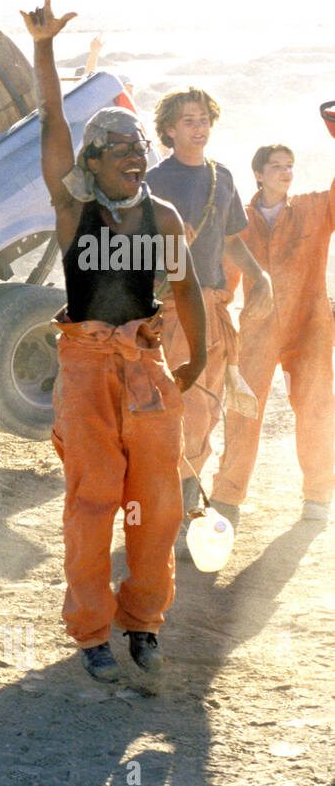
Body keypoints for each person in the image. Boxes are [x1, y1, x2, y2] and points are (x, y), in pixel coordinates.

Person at [22, 0, 206, 681]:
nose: (134, 157)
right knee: (93, 499)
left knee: (158, 503)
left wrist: (202, 360)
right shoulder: (73, 212)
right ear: (92, 160)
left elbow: (186, 289)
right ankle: (93, 629)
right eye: (119, 149)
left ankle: (144, 622)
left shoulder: (161, 219)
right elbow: (50, 121)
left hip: (146, 368)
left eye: (140, 148)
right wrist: (44, 49)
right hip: (86, 368)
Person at [145, 87, 273, 551]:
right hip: (174, 310)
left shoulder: (222, 178)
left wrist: (259, 277)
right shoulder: (153, 181)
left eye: (204, 120)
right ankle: (181, 515)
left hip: (214, 311)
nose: (198, 128)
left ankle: (181, 512)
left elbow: (232, 240)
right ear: (169, 130)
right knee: (182, 413)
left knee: (206, 412)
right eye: (188, 121)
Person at [210, 145, 335, 525]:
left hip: (310, 324)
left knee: (316, 408)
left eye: (290, 166)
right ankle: (227, 498)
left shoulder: (315, 207)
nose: (286, 172)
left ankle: (317, 496)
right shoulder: (239, 222)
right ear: (259, 175)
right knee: (243, 408)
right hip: (259, 327)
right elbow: (224, 280)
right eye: (276, 166)